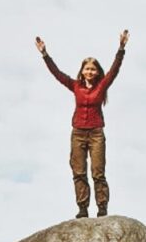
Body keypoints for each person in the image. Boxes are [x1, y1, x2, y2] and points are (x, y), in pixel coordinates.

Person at [36, 30, 129, 218]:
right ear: (82, 71)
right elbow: (57, 74)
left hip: (96, 134)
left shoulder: (102, 85)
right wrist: (45, 54)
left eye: (93, 69)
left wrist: (121, 49)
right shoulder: (75, 85)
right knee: (78, 172)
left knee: (98, 173)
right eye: (87, 69)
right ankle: (83, 208)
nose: (90, 72)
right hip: (78, 133)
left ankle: (102, 208)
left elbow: (114, 70)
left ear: (97, 72)